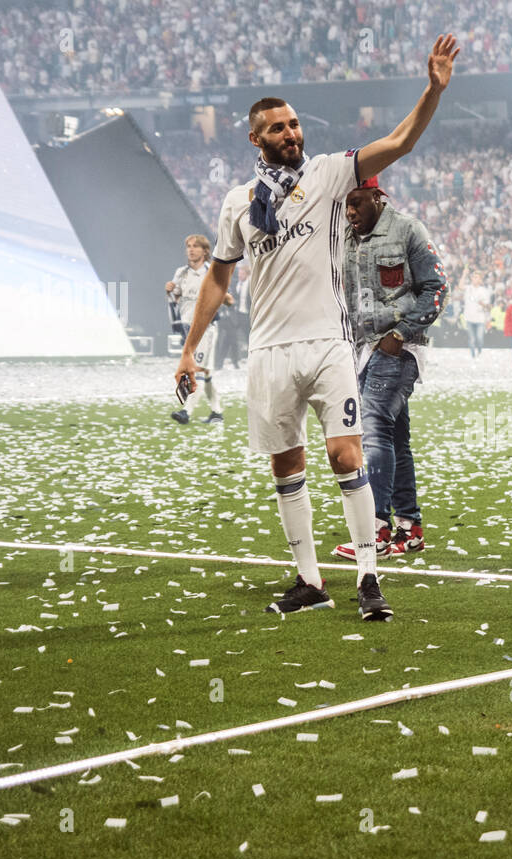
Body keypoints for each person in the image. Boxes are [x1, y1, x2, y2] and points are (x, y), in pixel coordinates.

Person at [175, 34, 460, 622]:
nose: (292, 134)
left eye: (295, 124)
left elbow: (400, 142)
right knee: (287, 466)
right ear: (255, 138)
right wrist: (189, 350)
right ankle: (310, 580)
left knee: (344, 454)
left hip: (330, 344)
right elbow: (219, 281)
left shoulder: (330, 175)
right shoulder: (238, 204)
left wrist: (431, 90)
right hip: (269, 350)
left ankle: (367, 577)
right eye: (278, 128)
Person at [333, 175, 447, 561]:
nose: (350, 212)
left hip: (396, 347)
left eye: (357, 203)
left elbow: (437, 287)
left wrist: (400, 335)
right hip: (362, 348)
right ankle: (408, 528)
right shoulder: (344, 236)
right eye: (346, 205)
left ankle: (377, 528)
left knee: (373, 429)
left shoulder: (408, 229)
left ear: (378, 198)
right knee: (395, 438)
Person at [168, 234, 229, 424]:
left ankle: (186, 411)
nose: (191, 249)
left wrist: (225, 297)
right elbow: (176, 299)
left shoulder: (211, 271)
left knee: (197, 369)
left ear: (205, 251)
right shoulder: (181, 273)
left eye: (195, 246)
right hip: (188, 327)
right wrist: (170, 290)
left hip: (205, 327)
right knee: (206, 372)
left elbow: (224, 295)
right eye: (188, 246)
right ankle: (217, 413)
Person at [462, 271, 492, 358]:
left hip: (480, 318)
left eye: (476, 277)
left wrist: (483, 304)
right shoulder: (468, 288)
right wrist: (464, 274)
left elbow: (488, 306)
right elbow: (460, 286)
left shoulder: (484, 291)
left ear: (480, 280)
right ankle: (473, 356)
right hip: (469, 318)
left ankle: (479, 351)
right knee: (471, 339)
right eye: (473, 277)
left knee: (479, 338)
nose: (474, 279)